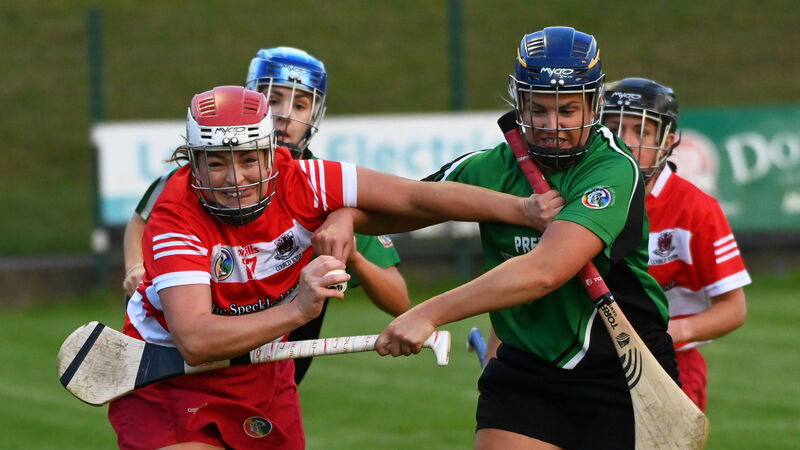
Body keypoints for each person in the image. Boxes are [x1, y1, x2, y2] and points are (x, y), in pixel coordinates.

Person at [109, 85, 546, 449]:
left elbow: (417, 197)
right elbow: (196, 339)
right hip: (168, 380)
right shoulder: (174, 219)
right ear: (194, 161)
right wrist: (299, 309)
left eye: (247, 159)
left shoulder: (302, 179)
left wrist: (524, 210)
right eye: (216, 163)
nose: (235, 179)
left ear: (269, 153)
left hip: (263, 375)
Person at [314, 26, 679, 449]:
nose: (549, 125)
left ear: (594, 105)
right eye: (537, 108)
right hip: (528, 371)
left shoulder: (612, 169)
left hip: (623, 368)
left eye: (567, 111)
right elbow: (411, 203)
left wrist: (427, 313)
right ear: (519, 101)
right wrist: (347, 216)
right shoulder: (493, 167)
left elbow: (546, 270)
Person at [121, 47, 410, 385]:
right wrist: (135, 266)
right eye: (273, 100)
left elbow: (400, 300)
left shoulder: (325, 190)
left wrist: (354, 255)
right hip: (199, 345)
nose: (285, 115)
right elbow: (141, 219)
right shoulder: (205, 178)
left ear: (317, 113)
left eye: (300, 104)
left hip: (281, 354)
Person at [600, 77, 749, 411]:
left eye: (641, 132)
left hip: (671, 366)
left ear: (666, 141)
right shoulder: (578, 197)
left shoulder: (697, 209)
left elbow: (733, 307)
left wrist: (665, 332)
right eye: (614, 129)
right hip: (588, 366)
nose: (625, 142)